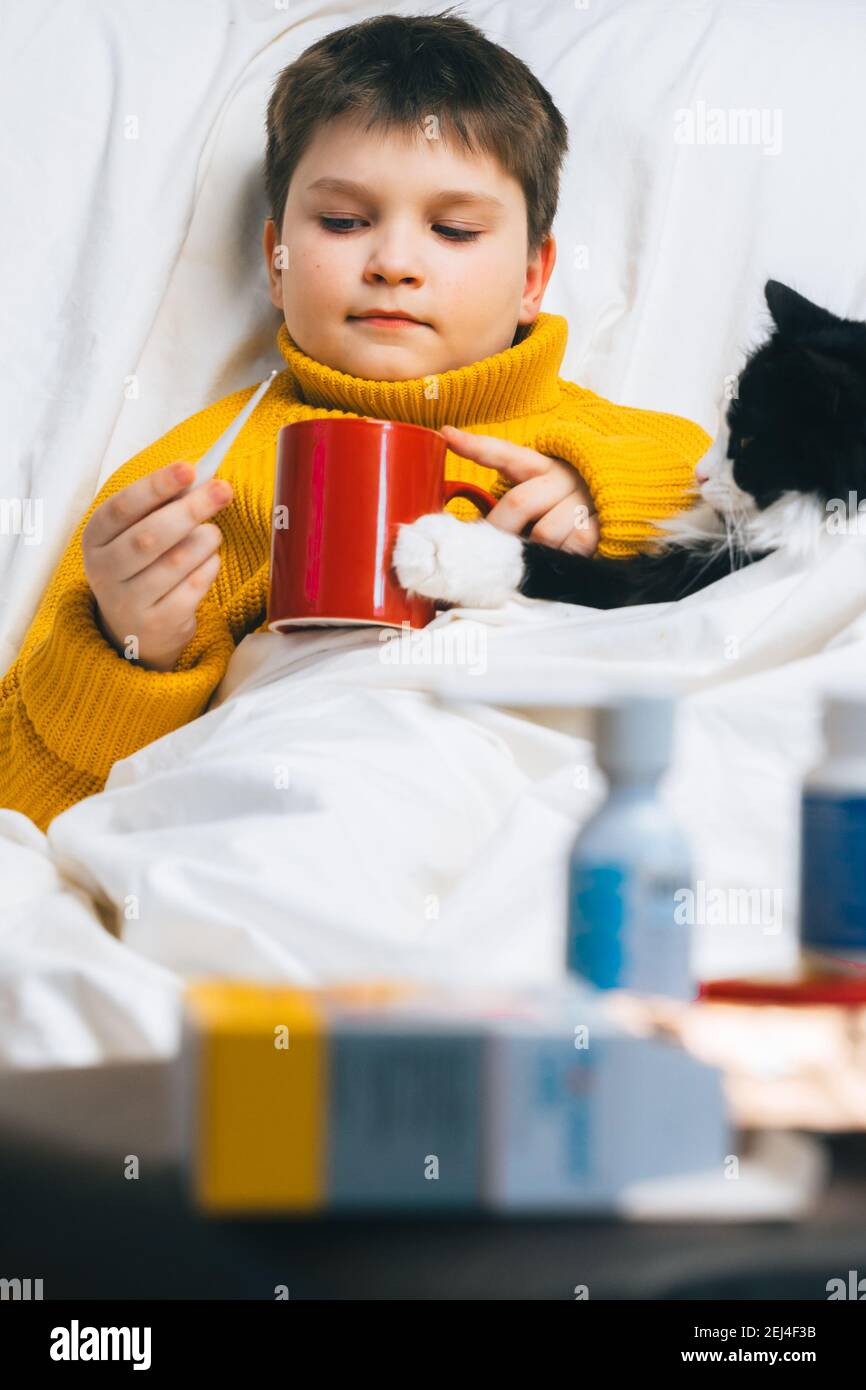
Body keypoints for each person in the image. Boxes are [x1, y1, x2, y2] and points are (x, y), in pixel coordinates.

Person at [0, 9, 710, 833]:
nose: (394, 263)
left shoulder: (609, 446)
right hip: (305, 819)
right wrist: (128, 647)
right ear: (277, 261)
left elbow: (746, 522)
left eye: (453, 230)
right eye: (343, 222)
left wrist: (605, 502)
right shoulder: (199, 486)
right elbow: (26, 798)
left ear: (532, 277)